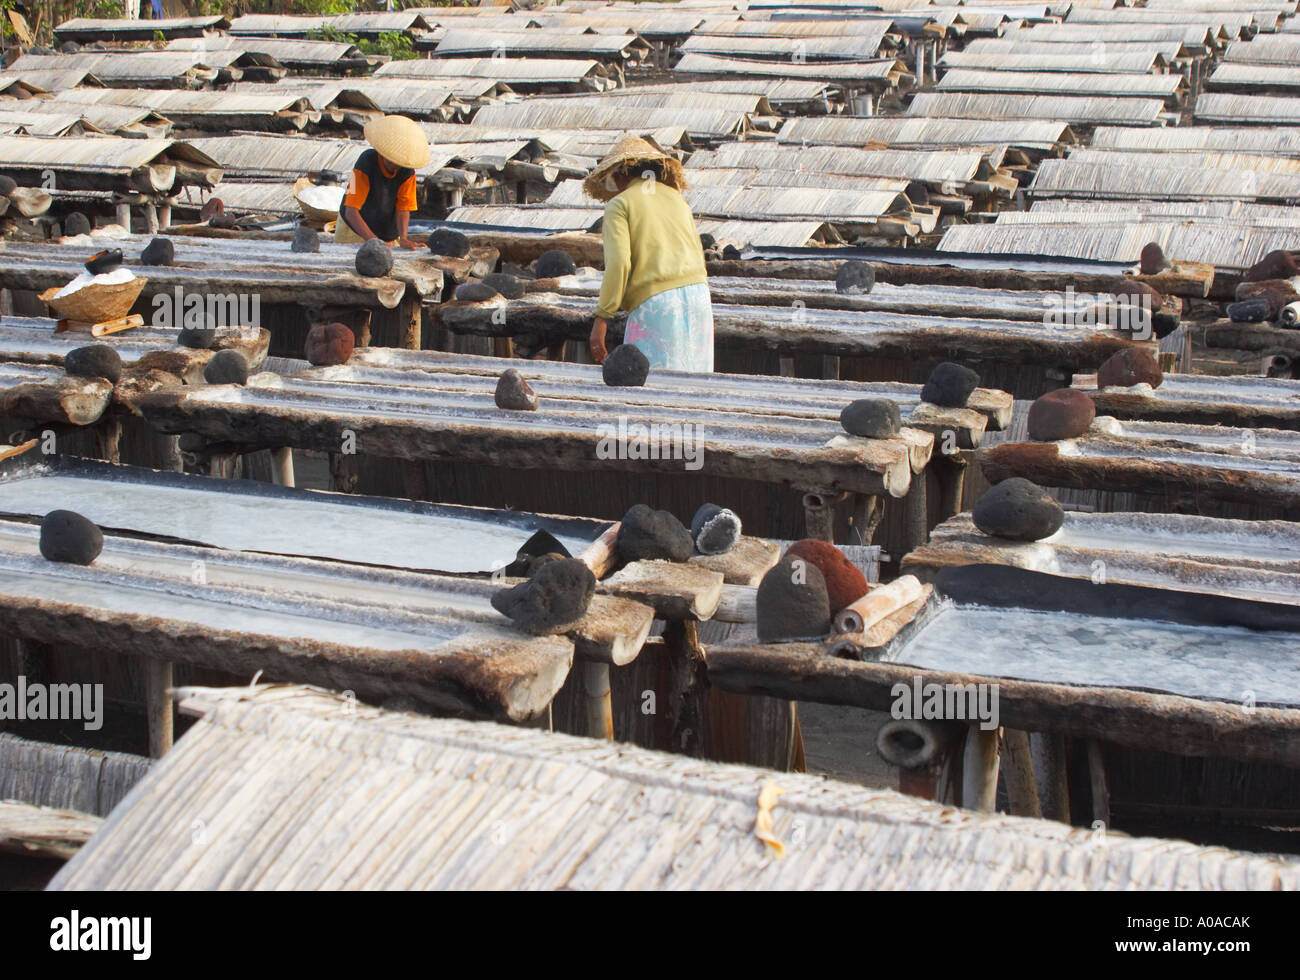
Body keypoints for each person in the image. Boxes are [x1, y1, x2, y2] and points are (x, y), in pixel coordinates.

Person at [585, 135, 713, 373]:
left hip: (656, 304)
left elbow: (619, 263)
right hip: (699, 297)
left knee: (650, 388)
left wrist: (602, 317)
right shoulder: (677, 200)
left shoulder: (620, 204)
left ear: (621, 173)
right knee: (695, 388)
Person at [337, 114, 429, 249]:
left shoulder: (407, 172)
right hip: (354, 230)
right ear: (383, 152)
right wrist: (374, 241)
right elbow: (351, 211)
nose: (395, 165)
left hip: (386, 235)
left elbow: (403, 208)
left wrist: (403, 238)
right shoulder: (365, 163)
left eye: (398, 162)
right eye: (391, 160)